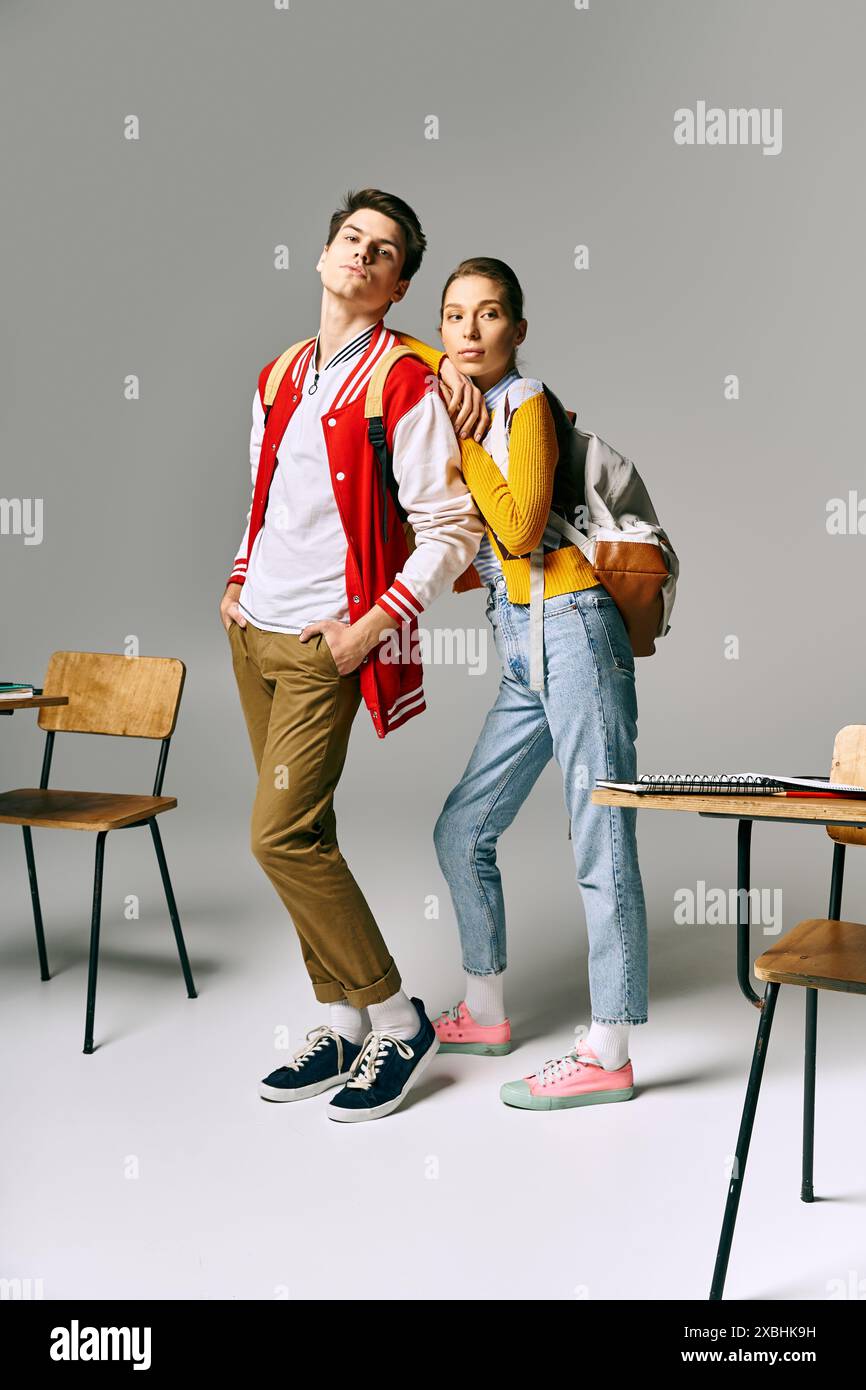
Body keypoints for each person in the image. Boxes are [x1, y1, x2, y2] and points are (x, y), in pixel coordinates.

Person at [221, 191, 488, 1123]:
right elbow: (267, 494)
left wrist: (372, 627)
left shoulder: (406, 379)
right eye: (351, 240)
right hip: (251, 628)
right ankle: (337, 1019)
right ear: (325, 253)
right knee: (308, 836)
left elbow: (451, 528)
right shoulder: (279, 373)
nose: (362, 258)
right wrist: (238, 577)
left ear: (398, 284)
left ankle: (395, 1013)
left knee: (278, 836)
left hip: (320, 645)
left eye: (384, 254)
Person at [400, 258, 649, 1111]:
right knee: (463, 825)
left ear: (518, 329)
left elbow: (518, 526)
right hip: (523, 647)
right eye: (454, 316)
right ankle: (486, 1008)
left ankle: (608, 1049)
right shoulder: (454, 402)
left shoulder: (528, 403)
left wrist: (467, 436)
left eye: (490, 313)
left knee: (600, 837)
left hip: (577, 629)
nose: (470, 330)